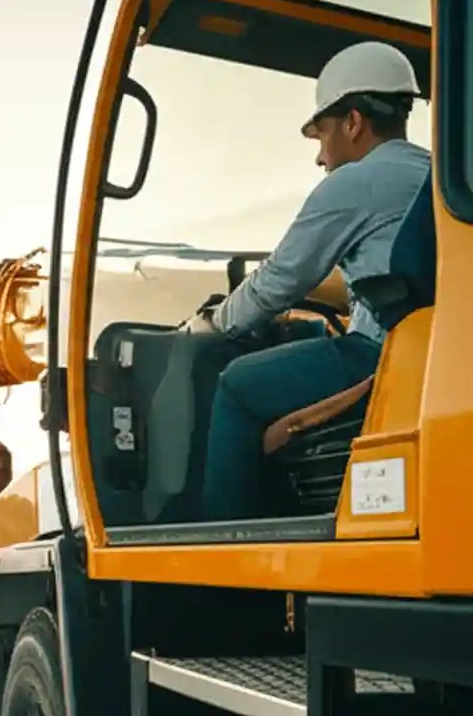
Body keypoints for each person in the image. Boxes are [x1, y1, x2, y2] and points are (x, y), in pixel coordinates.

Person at [182, 41, 431, 521]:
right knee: (309, 335)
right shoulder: (432, 171)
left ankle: (222, 563)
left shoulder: (357, 182)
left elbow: (277, 282)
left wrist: (213, 323)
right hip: (425, 353)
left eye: (322, 136)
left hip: (380, 356)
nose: (320, 157)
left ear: (353, 122)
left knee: (235, 386)